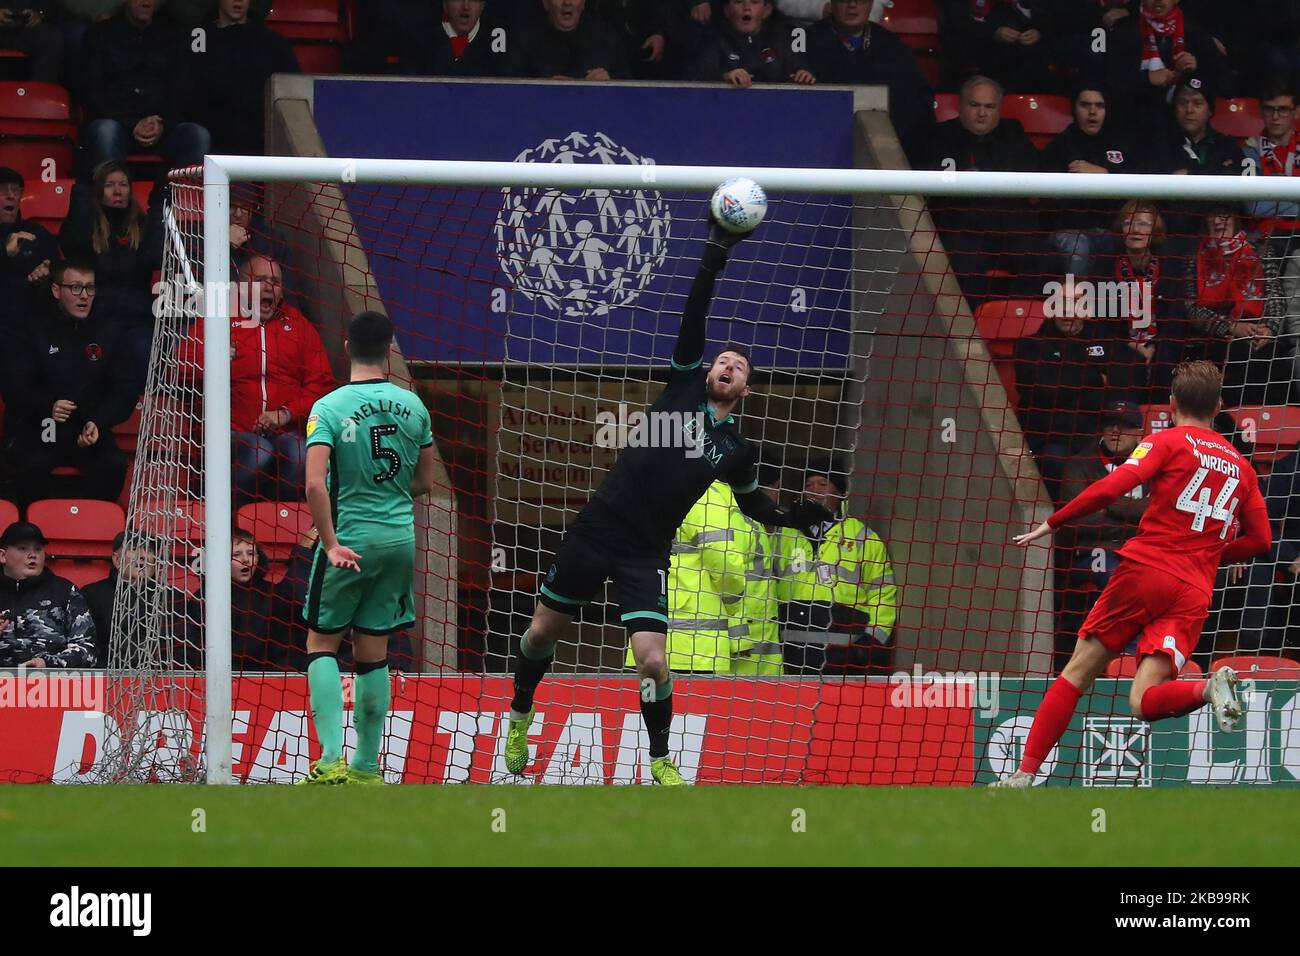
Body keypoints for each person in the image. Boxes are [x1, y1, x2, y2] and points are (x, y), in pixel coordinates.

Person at [502, 214, 833, 786]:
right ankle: (519, 713)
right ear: (708, 370)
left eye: (739, 367)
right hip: (597, 528)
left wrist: (790, 518)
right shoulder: (682, 384)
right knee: (539, 634)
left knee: (653, 659)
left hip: (645, 552)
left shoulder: (735, 450)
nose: (727, 366)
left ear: (746, 390)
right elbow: (694, 314)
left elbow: (756, 506)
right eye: (722, 360)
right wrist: (713, 255)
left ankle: (658, 758)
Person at [992, 361, 1271, 788]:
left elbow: (1114, 485)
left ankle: (1024, 775)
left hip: (1146, 572)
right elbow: (1262, 540)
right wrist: (1210, 553)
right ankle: (1206, 688)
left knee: (1077, 672)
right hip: (1193, 589)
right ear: (1218, 406)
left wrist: (1055, 521)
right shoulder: (1243, 466)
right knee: (1142, 702)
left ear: (1172, 403)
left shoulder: (1166, 442)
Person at [299, 311, 438, 786]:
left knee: (321, 644)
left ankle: (331, 760)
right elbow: (425, 482)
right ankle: (367, 767)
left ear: (345, 347)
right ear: (389, 350)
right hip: (400, 541)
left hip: (351, 540)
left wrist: (332, 543)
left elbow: (314, 484)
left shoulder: (329, 406)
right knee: (373, 652)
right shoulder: (414, 407)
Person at [179, 253, 335, 505]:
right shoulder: (217, 319)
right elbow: (181, 369)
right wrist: (215, 361)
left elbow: (322, 385)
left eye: (275, 281)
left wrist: (286, 414)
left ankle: (277, 525)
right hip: (230, 433)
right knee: (259, 451)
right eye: (260, 279)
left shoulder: (298, 325)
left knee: (301, 455)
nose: (269, 287)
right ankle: (228, 520)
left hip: (286, 430)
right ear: (241, 286)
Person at [0, 258, 136, 507]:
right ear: (56, 290)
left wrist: (99, 420)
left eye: (89, 288)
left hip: (87, 428)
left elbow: (124, 388)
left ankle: (94, 525)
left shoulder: (108, 331)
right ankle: (32, 527)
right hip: (41, 426)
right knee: (31, 463)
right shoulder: (32, 327)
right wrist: (48, 405)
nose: (84, 295)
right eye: (75, 287)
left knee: (113, 464)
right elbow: (14, 384)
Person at [919, 75, 1042, 302]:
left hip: (1010, 230)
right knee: (962, 265)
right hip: (963, 232)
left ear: (999, 109)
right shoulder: (940, 136)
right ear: (960, 105)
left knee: (1042, 260)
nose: (982, 113)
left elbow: (1033, 186)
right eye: (975, 105)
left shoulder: (1013, 133)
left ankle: (1019, 323)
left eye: (989, 106)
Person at [775, 458, 897, 675]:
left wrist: (874, 640)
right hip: (789, 656)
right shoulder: (784, 534)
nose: (815, 491)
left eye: (823, 484)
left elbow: (882, 592)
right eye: (808, 485)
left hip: (844, 657)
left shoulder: (863, 537)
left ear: (840, 492)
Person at [1056, 401, 1150, 672]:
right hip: (1092, 552)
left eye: (1124, 425)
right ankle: (1129, 663)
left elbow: (1157, 512)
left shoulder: (1151, 466)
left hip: (1139, 552)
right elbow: (1079, 520)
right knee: (1120, 578)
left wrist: (1106, 500)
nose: (1115, 431)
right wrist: (1131, 519)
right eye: (1110, 424)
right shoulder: (1080, 464)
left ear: (1138, 433)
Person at [625, 481, 748, 673]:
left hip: (647, 636)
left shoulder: (647, 488)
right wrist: (734, 602)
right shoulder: (704, 493)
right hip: (696, 648)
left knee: (651, 701)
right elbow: (722, 557)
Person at [58, 160, 162, 382]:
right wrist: (83, 190)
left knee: (142, 350)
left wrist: (159, 205)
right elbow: (71, 243)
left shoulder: (142, 226)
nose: (117, 191)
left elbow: (155, 256)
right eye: (109, 185)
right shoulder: (88, 225)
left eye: (123, 184)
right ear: (98, 191)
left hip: (137, 321)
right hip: (96, 321)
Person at [77, 0, 210, 175]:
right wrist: (132, 123)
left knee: (197, 135)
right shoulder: (100, 34)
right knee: (104, 131)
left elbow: (183, 89)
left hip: (163, 128)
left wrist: (162, 122)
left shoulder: (174, 35)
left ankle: (185, 201)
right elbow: (90, 91)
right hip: (117, 124)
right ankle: (109, 198)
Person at [1185, 201, 1292, 406]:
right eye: (1212, 215)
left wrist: (1268, 329)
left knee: (1274, 360)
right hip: (1213, 340)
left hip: (1259, 334)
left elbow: (1276, 296)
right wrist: (1232, 327)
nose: (1217, 221)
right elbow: (1192, 309)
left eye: (1223, 214)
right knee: (1241, 354)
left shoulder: (1261, 251)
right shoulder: (1194, 257)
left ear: (1236, 217)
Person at [803, 0, 935, 161]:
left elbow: (917, 102)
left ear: (872, 4)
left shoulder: (892, 46)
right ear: (832, 3)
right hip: (819, 148)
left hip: (884, 148)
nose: (852, 5)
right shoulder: (807, 41)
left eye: (861, 0)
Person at [1039, 86, 1144, 277]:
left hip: (1112, 229)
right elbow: (1044, 201)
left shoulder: (1122, 144)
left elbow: (1138, 188)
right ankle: (1075, 305)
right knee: (1079, 246)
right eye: (1085, 105)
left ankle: (1122, 305)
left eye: (1099, 106)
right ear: (1075, 109)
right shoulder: (1060, 146)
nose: (1092, 112)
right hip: (1069, 230)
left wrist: (1104, 173)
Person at [187, 0, 299, 156]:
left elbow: (292, 93)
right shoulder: (197, 40)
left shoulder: (274, 44)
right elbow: (186, 94)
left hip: (259, 145)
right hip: (211, 143)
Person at [1243, 82, 1300, 382]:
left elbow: (1266, 203)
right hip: (1267, 241)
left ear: (1295, 112)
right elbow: (1254, 206)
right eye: (1270, 110)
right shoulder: (1251, 148)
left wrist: (1274, 200)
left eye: (1283, 110)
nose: (1276, 116)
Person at [0, 520, 97, 668]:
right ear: (3, 556)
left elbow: (87, 650)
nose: (32, 555)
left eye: (38, 549)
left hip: (52, 683)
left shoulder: (64, 591)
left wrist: (48, 663)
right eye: (23, 548)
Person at [81, 529, 162, 667]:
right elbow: (85, 646)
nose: (142, 556)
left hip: (161, 682)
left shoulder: (172, 597)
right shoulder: (91, 595)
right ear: (117, 560)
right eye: (134, 548)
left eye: (148, 550)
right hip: (106, 680)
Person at [687, 0, 812, 86]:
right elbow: (699, 77)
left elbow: (798, 68)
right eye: (738, 2)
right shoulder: (713, 39)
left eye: (755, 2)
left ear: (766, 10)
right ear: (727, 10)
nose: (746, 7)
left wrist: (802, 75)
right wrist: (725, 77)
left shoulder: (783, 37)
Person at [0, 166, 58, 333]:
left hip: (29, 327)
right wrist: (4, 252)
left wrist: (47, 276)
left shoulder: (37, 234)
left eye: (16, 191)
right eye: (3, 190)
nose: (11, 196)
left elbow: (58, 274)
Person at [512, 0, 631, 80]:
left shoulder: (606, 37)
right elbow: (510, 90)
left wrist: (610, 85)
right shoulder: (524, 39)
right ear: (545, 3)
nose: (567, 2)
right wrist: (544, 88)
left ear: (584, 3)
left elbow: (628, 93)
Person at [0, 2, 63, 82]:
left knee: (52, 36)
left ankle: (40, 90)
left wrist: (40, 14)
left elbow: (50, 8)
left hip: (26, 28)